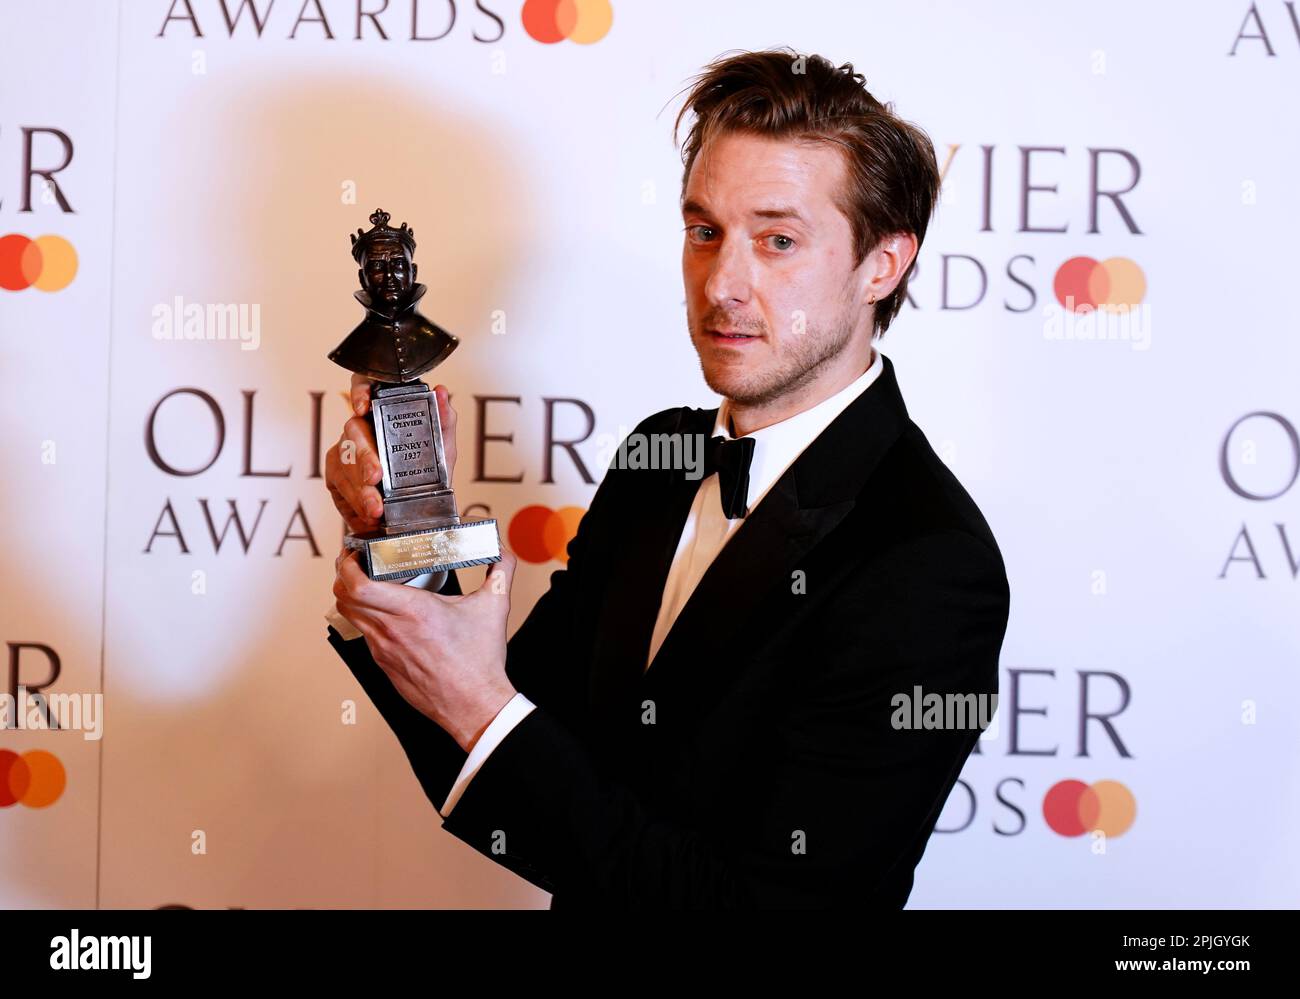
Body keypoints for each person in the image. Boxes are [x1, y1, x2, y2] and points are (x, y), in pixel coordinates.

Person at [324, 47, 1010, 909]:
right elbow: (522, 745)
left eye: (779, 240)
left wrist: (480, 705)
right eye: (704, 231)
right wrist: (402, 533)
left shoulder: (928, 560)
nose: (723, 283)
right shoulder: (663, 455)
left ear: (884, 264)